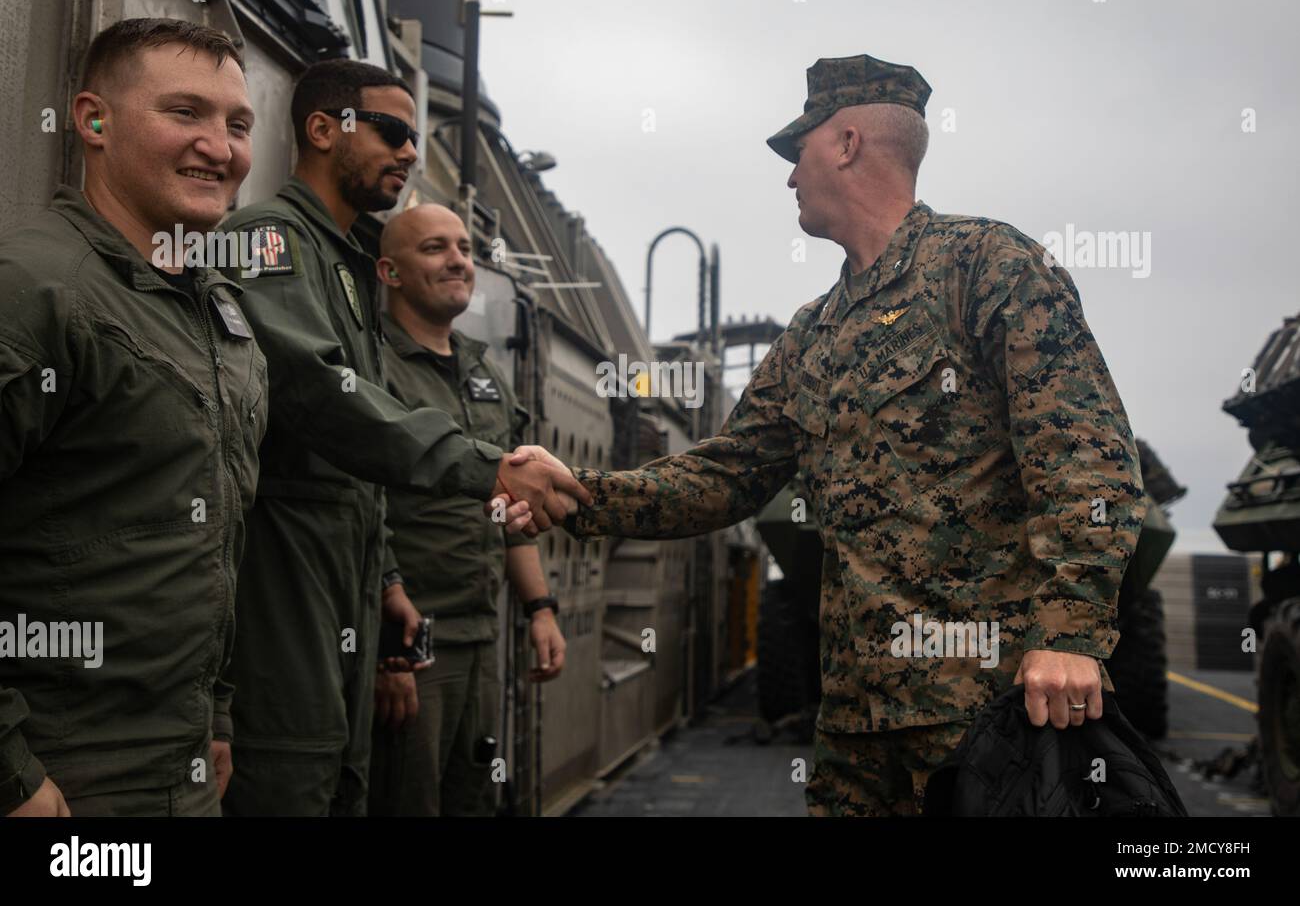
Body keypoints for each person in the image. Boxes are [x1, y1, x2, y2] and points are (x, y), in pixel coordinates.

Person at [531, 53, 1147, 816]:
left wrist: (1072, 633)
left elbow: (1085, 456)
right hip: (856, 725)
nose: (790, 177)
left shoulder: (988, 268)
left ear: (848, 142)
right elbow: (726, 476)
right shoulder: (813, 332)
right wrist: (576, 495)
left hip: (987, 719)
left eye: (800, 153)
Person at [218, 59, 587, 816]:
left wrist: (384, 586)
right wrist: (486, 468)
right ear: (324, 129)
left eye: (415, 138)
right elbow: (323, 401)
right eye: (391, 132)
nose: (411, 153)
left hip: (352, 590)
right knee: (295, 780)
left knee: (348, 787)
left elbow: (359, 464)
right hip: (287, 582)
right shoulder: (269, 242)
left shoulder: (344, 262)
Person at [0, 18, 264, 816]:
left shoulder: (217, 309)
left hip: (178, 761)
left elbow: (217, 531)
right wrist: (10, 771)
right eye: (185, 113)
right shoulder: (35, 284)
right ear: (93, 120)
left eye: (238, 124)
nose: (220, 148)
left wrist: (214, 712)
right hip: (65, 771)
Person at [367, 203, 566, 816]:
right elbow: (363, 504)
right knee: (407, 799)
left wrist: (540, 609)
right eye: (434, 248)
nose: (457, 260)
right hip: (412, 643)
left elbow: (510, 507)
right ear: (389, 272)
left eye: (464, 248)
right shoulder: (373, 368)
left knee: (471, 796)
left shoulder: (485, 375)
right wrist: (385, 651)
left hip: (481, 636)